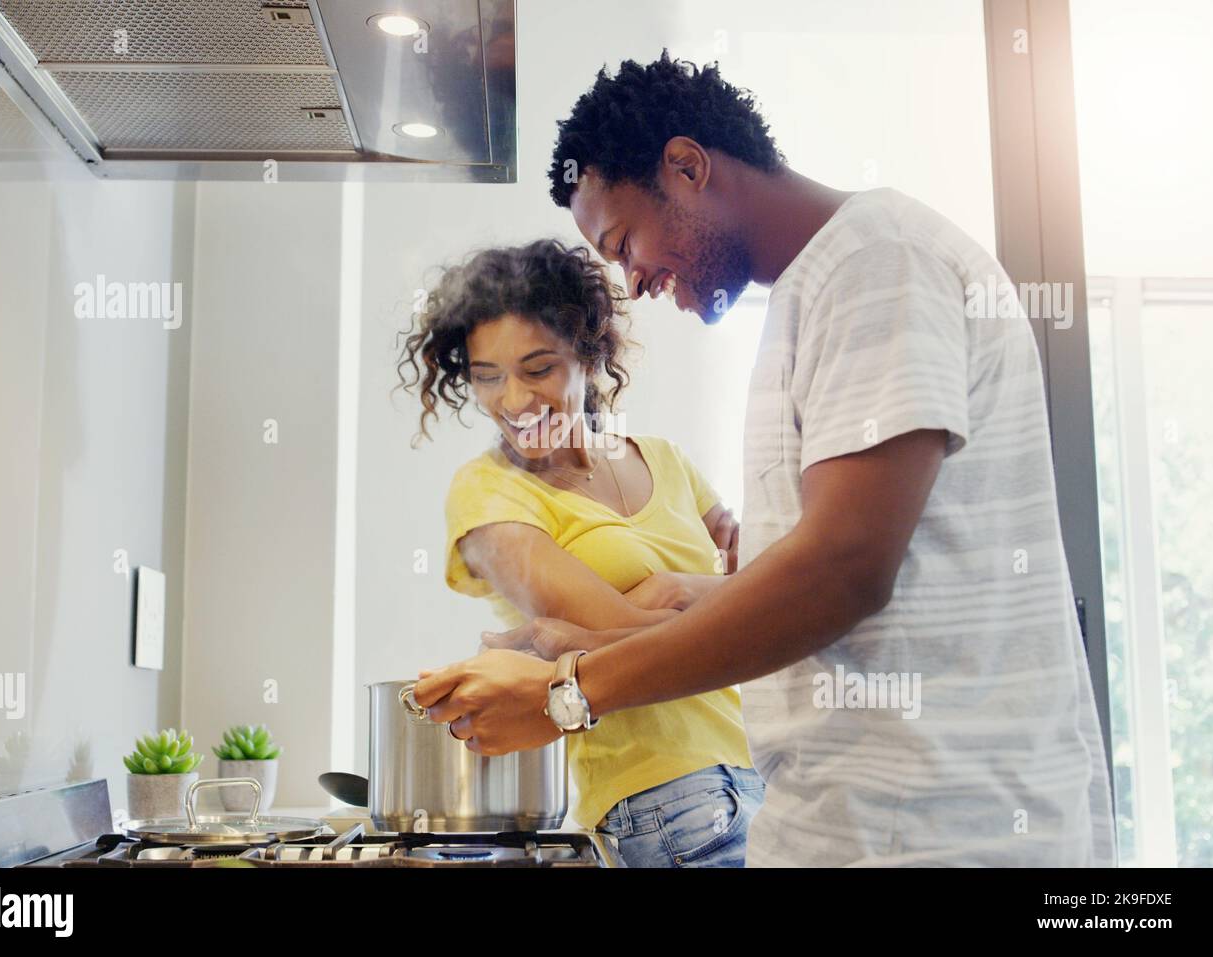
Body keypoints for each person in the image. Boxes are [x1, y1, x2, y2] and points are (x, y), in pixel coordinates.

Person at [413, 52, 1115, 867]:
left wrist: (568, 691)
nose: (632, 281)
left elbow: (844, 568)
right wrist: (706, 593)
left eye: (624, 240)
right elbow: (828, 570)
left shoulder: (874, 263)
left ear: (687, 167)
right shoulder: (812, 296)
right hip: (847, 821)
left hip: (937, 829)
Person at [396, 238, 765, 866]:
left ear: (589, 356)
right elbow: (735, 627)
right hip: (663, 800)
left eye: (538, 369)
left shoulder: (666, 459)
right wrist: (725, 611)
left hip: (767, 771)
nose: (512, 402)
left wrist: (670, 596)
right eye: (487, 377)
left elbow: (776, 600)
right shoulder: (486, 492)